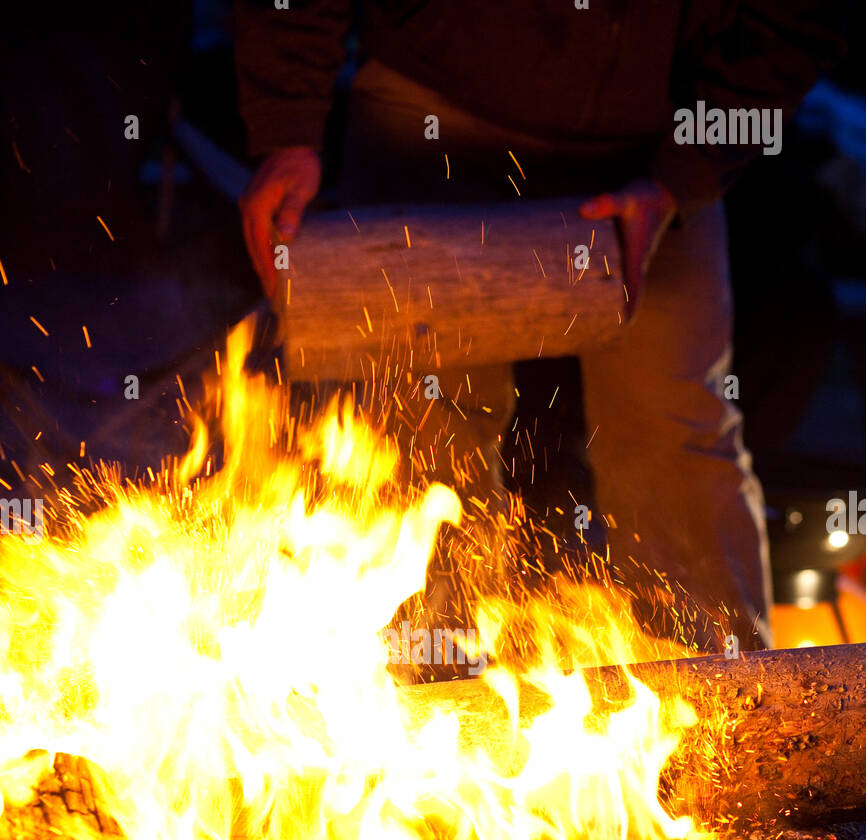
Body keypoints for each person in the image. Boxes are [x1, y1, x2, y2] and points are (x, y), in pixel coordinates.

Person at [234, 0, 847, 651]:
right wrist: (287, 127)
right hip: (428, 112)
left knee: (675, 434)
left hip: (660, 134)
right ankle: (430, 705)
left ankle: (729, 714)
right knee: (422, 434)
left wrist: (683, 175)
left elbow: (799, 22)